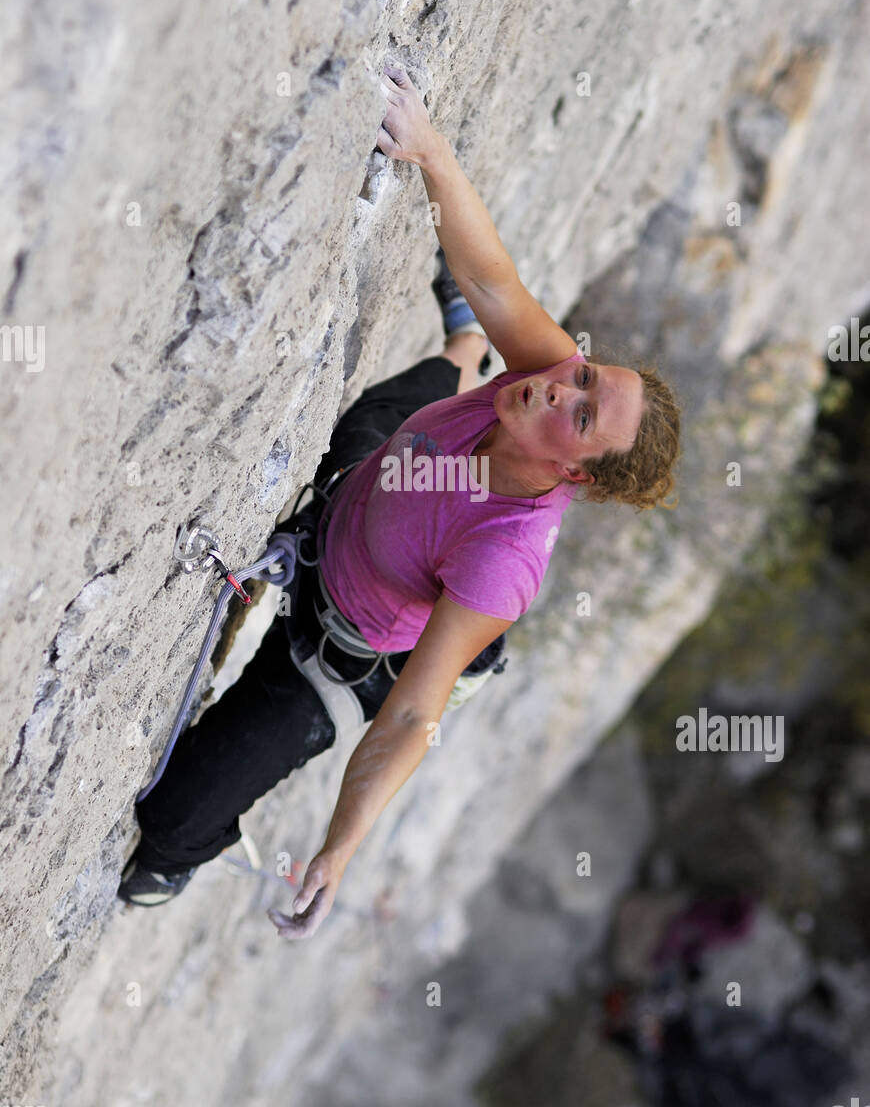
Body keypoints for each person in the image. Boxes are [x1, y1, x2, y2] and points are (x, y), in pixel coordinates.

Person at [118, 64, 680, 936]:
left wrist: (339, 850)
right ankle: (463, 348)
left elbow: (415, 712)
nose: (563, 383)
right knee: (401, 403)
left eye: (583, 411)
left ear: (576, 475)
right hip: (362, 481)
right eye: (586, 374)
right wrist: (429, 148)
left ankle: (185, 846)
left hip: (333, 649)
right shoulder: (546, 373)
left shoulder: (504, 559)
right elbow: (496, 278)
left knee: (169, 830)